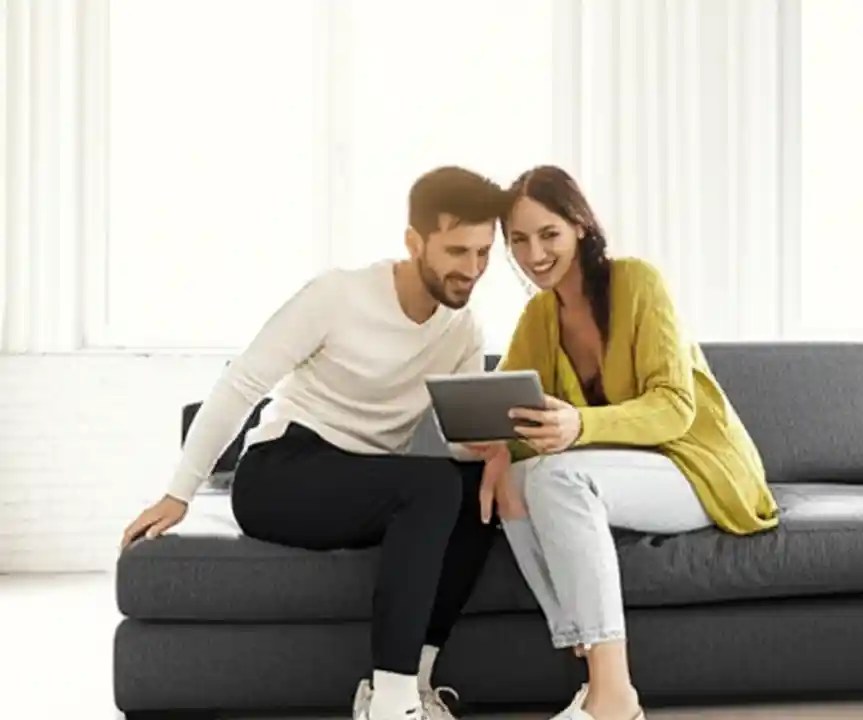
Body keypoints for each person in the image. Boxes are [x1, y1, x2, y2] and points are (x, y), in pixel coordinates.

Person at [119, 166, 512, 720]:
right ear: (414, 241)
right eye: (456, 251)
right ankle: (390, 703)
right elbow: (243, 383)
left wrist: (491, 453)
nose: (471, 270)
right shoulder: (338, 295)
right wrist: (178, 493)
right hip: (282, 472)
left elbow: (456, 445)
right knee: (430, 484)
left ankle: (413, 681)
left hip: (366, 485)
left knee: (472, 490)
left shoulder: (463, 331)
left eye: (482, 253)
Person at [467, 166, 779, 720]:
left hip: (694, 467)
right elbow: (510, 415)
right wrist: (496, 452)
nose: (534, 253)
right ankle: (584, 652)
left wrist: (581, 427)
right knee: (518, 480)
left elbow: (674, 407)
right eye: (518, 240)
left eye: (548, 234)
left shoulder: (637, 282)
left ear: (581, 226)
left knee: (561, 474)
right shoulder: (540, 317)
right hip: (625, 477)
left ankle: (614, 696)